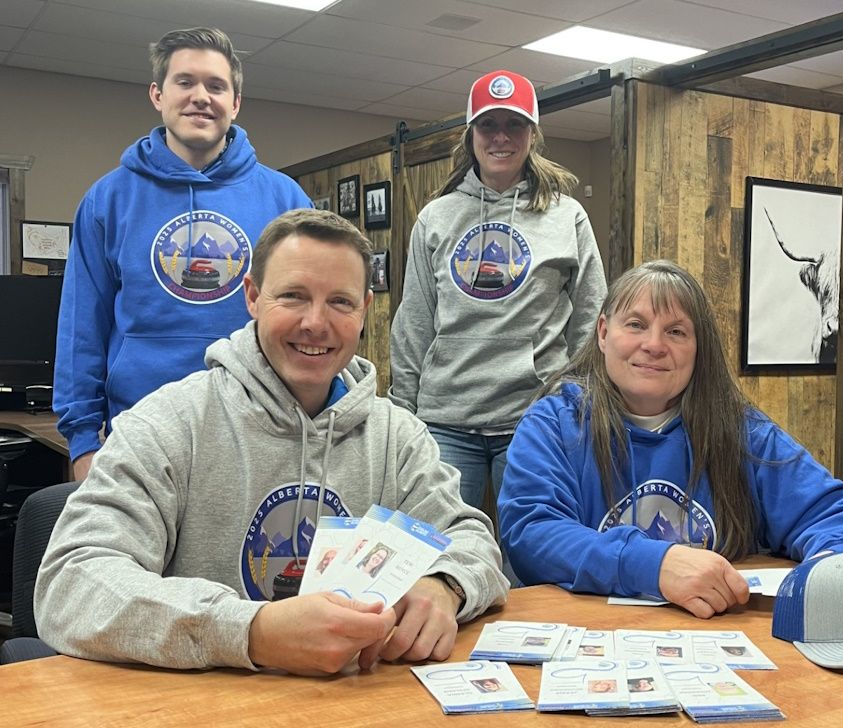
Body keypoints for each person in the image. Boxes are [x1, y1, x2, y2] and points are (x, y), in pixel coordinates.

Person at [36, 209, 508, 675]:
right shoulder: (167, 424)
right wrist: (251, 631)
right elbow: (70, 583)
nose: (316, 323)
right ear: (253, 297)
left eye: (340, 302)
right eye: (293, 296)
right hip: (204, 702)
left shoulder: (396, 436)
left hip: (352, 698)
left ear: (364, 310)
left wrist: (445, 584)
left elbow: (470, 538)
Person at [498, 260, 843, 619]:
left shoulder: (740, 431)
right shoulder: (553, 424)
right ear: (603, 333)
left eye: (676, 331)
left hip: (717, 643)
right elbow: (531, 534)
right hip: (592, 641)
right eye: (635, 324)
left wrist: (833, 565)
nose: (654, 345)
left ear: (698, 349)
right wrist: (655, 565)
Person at [54, 27, 311, 481]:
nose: (201, 97)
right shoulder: (108, 200)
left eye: (216, 86)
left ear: (235, 103)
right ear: (158, 94)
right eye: (185, 82)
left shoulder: (284, 199)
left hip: (261, 431)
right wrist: (82, 443)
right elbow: (81, 329)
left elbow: (309, 316)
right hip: (141, 431)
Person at [389, 69, 607, 514]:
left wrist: (578, 402)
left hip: (534, 417)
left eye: (514, 124)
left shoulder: (567, 216)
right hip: (445, 420)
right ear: (471, 135)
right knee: (438, 544)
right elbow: (414, 321)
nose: (501, 137)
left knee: (531, 548)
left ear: (532, 134)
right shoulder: (436, 217)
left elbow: (592, 319)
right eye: (488, 125)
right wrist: (402, 414)